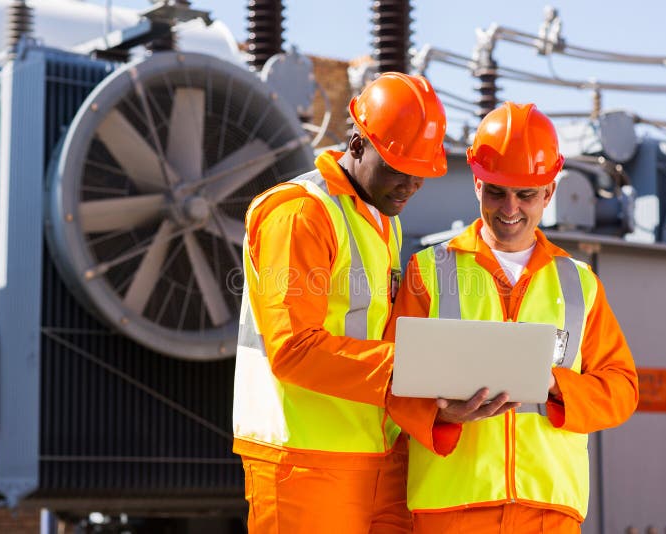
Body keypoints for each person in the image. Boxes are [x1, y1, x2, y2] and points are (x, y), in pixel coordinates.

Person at [385, 101, 639, 534]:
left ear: (549, 193)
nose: (510, 209)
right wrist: (444, 417)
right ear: (477, 185)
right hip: (452, 507)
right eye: (497, 192)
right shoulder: (428, 271)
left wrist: (555, 383)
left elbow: (622, 389)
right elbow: (391, 384)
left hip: (548, 510)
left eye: (526, 195)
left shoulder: (580, 284)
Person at [231, 72, 449, 534]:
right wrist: (418, 369)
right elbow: (293, 349)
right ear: (356, 144)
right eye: (397, 168)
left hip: (365, 452)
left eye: (420, 175)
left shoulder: (379, 218)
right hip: (301, 461)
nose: (409, 186)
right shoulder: (300, 214)